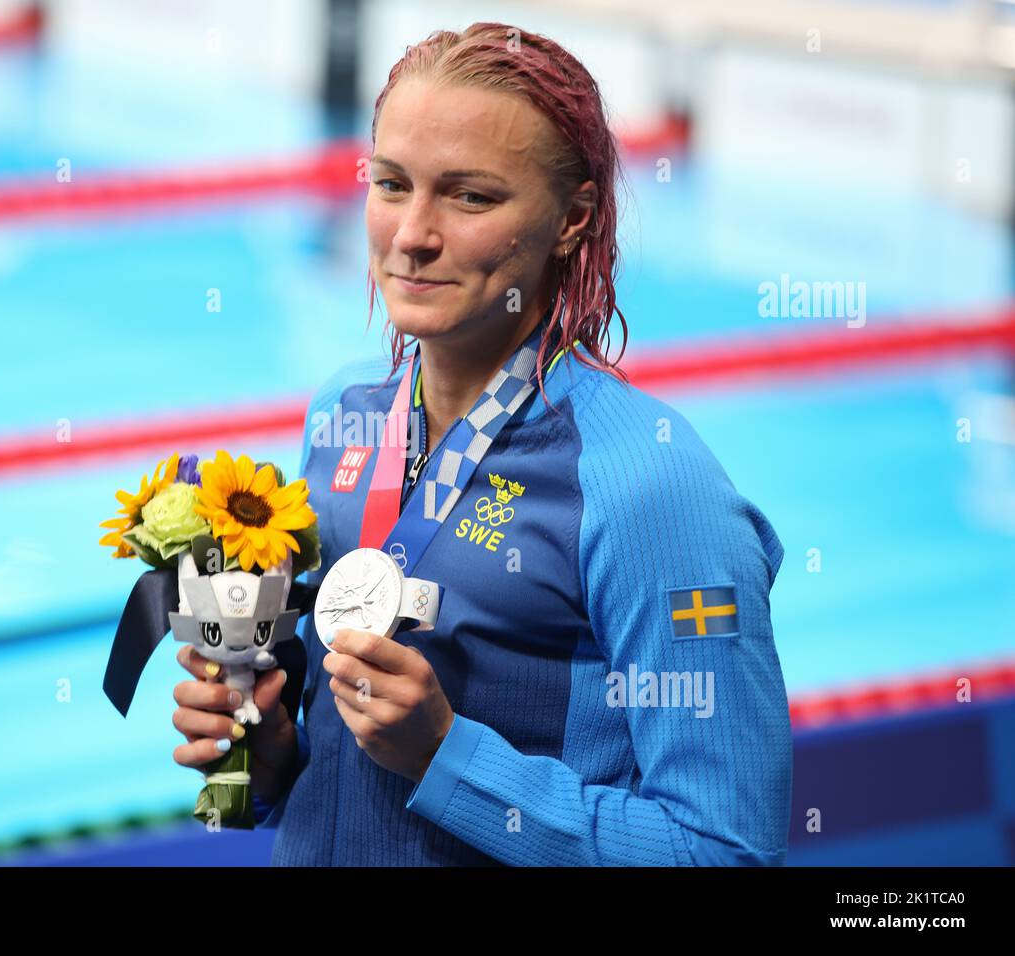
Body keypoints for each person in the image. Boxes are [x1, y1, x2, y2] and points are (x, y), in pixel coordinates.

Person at [171, 22, 791, 866]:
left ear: (571, 219)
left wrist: (448, 757)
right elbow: (339, 785)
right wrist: (264, 746)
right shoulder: (344, 417)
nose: (412, 234)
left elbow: (725, 850)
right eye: (392, 184)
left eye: (470, 197)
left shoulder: (648, 487)